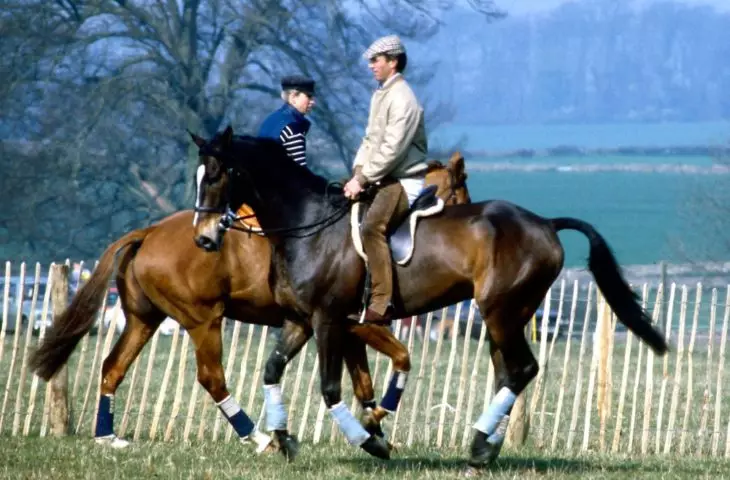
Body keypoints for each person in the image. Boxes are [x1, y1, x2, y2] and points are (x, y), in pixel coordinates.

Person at [343, 35, 428, 323]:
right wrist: (357, 173)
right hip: (381, 177)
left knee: (371, 228)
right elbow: (370, 139)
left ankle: (382, 303)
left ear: (393, 62)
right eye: (370, 60)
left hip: (403, 181)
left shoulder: (403, 99)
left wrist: (364, 178)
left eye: (375, 60)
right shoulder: (382, 94)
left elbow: (392, 150)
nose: (370, 66)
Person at [257, 75, 316, 168]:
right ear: (293, 98)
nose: (313, 102)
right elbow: (300, 173)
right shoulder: (293, 127)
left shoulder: (271, 119)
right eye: (309, 96)